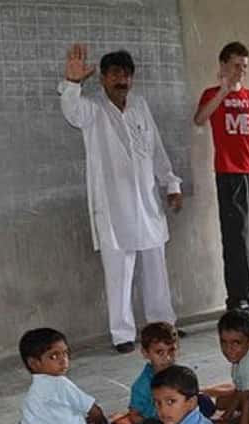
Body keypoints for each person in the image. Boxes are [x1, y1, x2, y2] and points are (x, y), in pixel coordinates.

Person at [59, 44, 182, 354]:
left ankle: (163, 325)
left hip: (147, 201)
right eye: (114, 74)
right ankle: (122, 334)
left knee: (156, 267)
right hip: (114, 208)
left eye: (126, 74)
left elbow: (156, 148)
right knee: (119, 271)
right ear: (102, 78)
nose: (121, 80)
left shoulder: (140, 106)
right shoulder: (93, 108)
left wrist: (170, 183)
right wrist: (72, 82)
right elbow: (72, 112)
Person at [193, 41, 249, 314]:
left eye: (245, 66)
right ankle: (237, 297)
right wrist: (224, 91)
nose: (241, 71)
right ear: (223, 65)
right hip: (229, 173)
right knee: (236, 236)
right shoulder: (212, 94)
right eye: (236, 65)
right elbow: (199, 119)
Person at [3, 328, 109, 424]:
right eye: (54, 356)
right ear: (34, 363)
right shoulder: (62, 384)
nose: (63, 360)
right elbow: (96, 412)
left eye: (65, 353)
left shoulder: (30, 398)